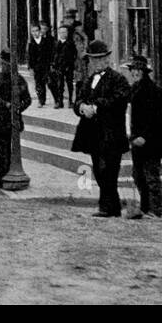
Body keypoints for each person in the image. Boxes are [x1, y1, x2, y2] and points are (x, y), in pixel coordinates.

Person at [71, 40, 131, 218]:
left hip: (112, 134)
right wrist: (82, 108)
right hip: (93, 134)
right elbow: (78, 100)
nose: (95, 63)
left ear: (107, 59)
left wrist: (96, 107)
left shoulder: (118, 79)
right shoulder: (89, 79)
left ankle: (107, 207)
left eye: (98, 59)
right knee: (98, 170)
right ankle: (112, 207)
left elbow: (120, 100)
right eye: (92, 60)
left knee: (109, 171)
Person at [125, 54, 162, 220]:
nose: (135, 73)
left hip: (151, 140)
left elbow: (155, 118)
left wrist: (143, 136)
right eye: (133, 70)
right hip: (136, 140)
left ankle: (156, 210)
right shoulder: (133, 89)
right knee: (138, 175)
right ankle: (144, 207)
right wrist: (132, 136)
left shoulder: (154, 91)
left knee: (151, 175)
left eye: (139, 70)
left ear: (145, 72)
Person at [0, 51, 31, 189]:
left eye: (7, 64)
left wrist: (18, 108)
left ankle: (1, 177)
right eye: (4, 64)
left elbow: (27, 99)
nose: (5, 67)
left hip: (12, 120)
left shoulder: (19, 80)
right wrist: (6, 105)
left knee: (6, 150)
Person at [27, 23, 55, 108]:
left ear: (40, 31)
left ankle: (57, 99)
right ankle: (41, 100)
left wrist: (51, 64)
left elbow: (50, 53)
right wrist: (30, 68)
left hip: (46, 66)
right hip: (36, 67)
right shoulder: (31, 43)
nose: (35, 33)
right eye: (33, 31)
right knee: (39, 84)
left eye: (36, 31)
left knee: (50, 82)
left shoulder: (46, 41)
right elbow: (29, 57)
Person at [50, 24, 77, 109]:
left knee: (70, 84)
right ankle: (60, 101)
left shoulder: (71, 43)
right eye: (61, 32)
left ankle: (70, 101)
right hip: (59, 67)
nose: (63, 34)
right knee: (59, 85)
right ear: (58, 33)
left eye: (64, 32)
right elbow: (53, 55)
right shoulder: (56, 44)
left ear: (67, 33)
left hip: (69, 67)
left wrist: (71, 65)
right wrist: (54, 65)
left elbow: (74, 55)